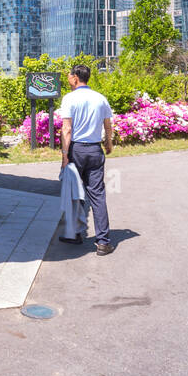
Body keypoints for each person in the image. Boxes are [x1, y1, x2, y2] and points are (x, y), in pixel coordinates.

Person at [58, 64, 116, 255]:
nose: (68, 78)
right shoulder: (100, 98)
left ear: (75, 77)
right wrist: (108, 143)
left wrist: (65, 155)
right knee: (97, 195)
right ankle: (103, 242)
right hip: (95, 149)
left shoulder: (69, 98)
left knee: (75, 194)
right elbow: (107, 125)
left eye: (69, 75)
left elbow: (67, 129)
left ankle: (75, 234)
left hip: (76, 150)